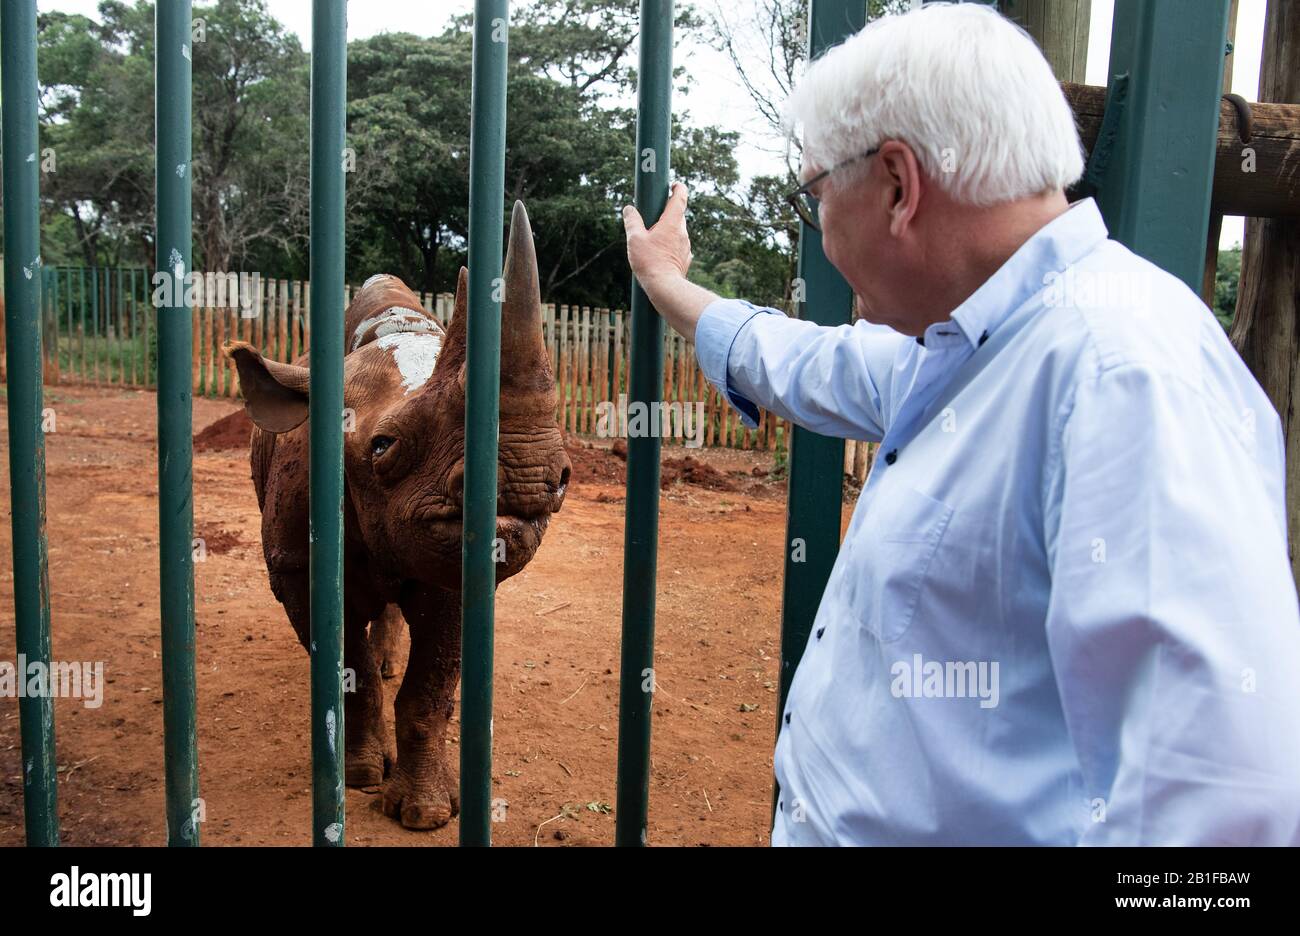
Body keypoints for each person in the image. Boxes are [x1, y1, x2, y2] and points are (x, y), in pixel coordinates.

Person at [621, 2, 1300, 845]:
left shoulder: (1122, 377)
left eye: (816, 196)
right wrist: (669, 287)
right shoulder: (969, 344)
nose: (820, 228)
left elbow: (1217, 814)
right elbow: (802, 362)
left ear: (899, 185)